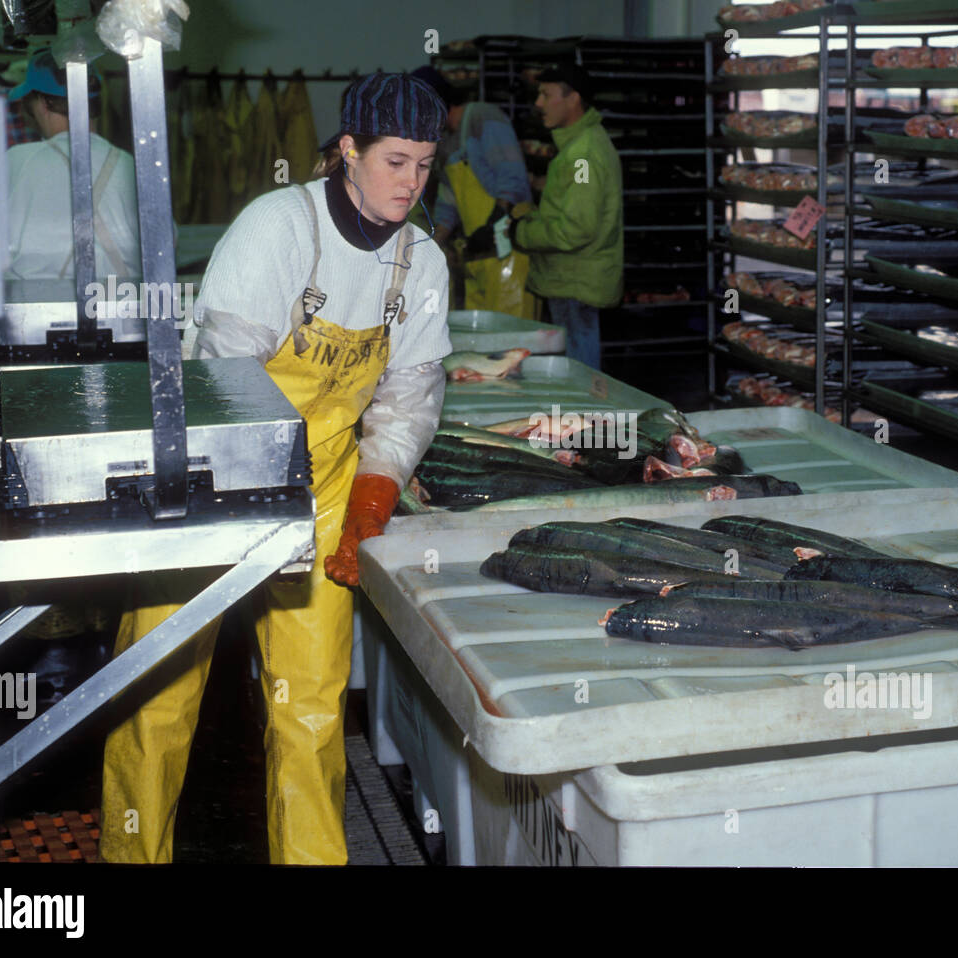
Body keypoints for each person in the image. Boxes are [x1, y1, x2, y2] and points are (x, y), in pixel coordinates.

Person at [100, 72, 452, 865]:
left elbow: (408, 396)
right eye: (396, 161)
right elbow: (223, 380)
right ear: (348, 150)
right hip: (206, 478)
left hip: (326, 484)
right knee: (156, 694)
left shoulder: (420, 264)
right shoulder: (277, 229)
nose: (412, 183)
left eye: (426, 165)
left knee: (313, 707)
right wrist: (253, 505)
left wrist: (372, 492)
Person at [509, 64, 622, 368]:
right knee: (574, 373)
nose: (538, 103)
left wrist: (521, 233)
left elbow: (576, 229)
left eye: (546, 95)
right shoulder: (578, 149)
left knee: (579, 378)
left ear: (573, 100)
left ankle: (584, 418)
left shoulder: (583, 155)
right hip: (571, 280)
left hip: (575, 283)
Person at [4, 48, 141, 280]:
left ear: (42, 104)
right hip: (124, 308)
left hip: (33, 309)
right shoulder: (130, 165)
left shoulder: (18, 161)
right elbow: (167, 241)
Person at [418, 67, 536, 320]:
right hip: (477, 255)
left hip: (508, 256)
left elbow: (512, 175)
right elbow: (448, 203)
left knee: (510, 344)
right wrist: (430, 245)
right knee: (481, 345)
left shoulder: (482, 117)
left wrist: (495, 223)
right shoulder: (447, 144)